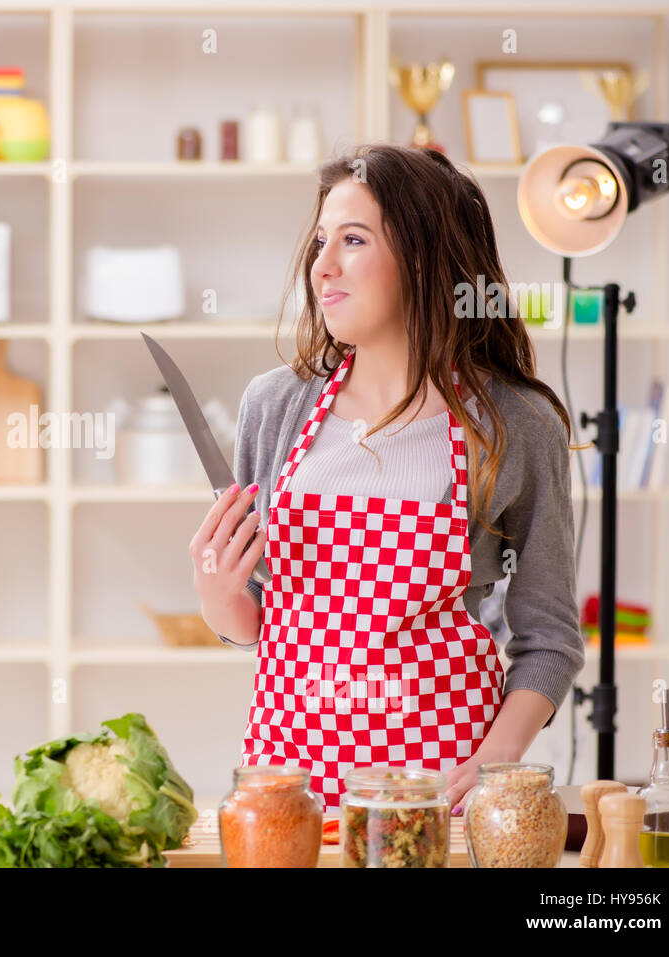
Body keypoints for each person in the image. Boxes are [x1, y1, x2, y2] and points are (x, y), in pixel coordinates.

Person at [192, 143, 585, 812]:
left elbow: (551, 635)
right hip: (290, 787)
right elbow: (262, 621)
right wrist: (218, 599)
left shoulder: (516, 424)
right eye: (320, 241)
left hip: (440, 790)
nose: (323, 266)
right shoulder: (274, 407)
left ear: (425, 258)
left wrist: (494, 760)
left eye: (352, 239)